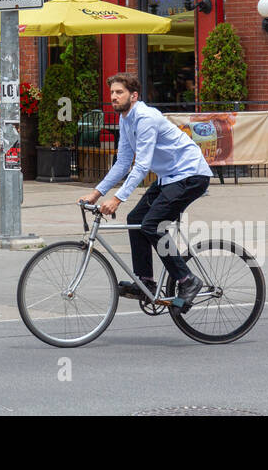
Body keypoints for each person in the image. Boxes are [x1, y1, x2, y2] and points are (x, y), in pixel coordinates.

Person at [78, 74, 210, 312]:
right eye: (112, 93)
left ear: (134, 96)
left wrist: (118, 199)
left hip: (190, 174)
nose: (114, 97)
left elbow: (141, 165)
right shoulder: (125, 120)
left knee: (151, 225)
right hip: (169, 177)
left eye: (119, 92)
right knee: (135, 220)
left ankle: (187, 280)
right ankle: (145, 281)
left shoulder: (146, 118)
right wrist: (97, 193)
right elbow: (123, 162)